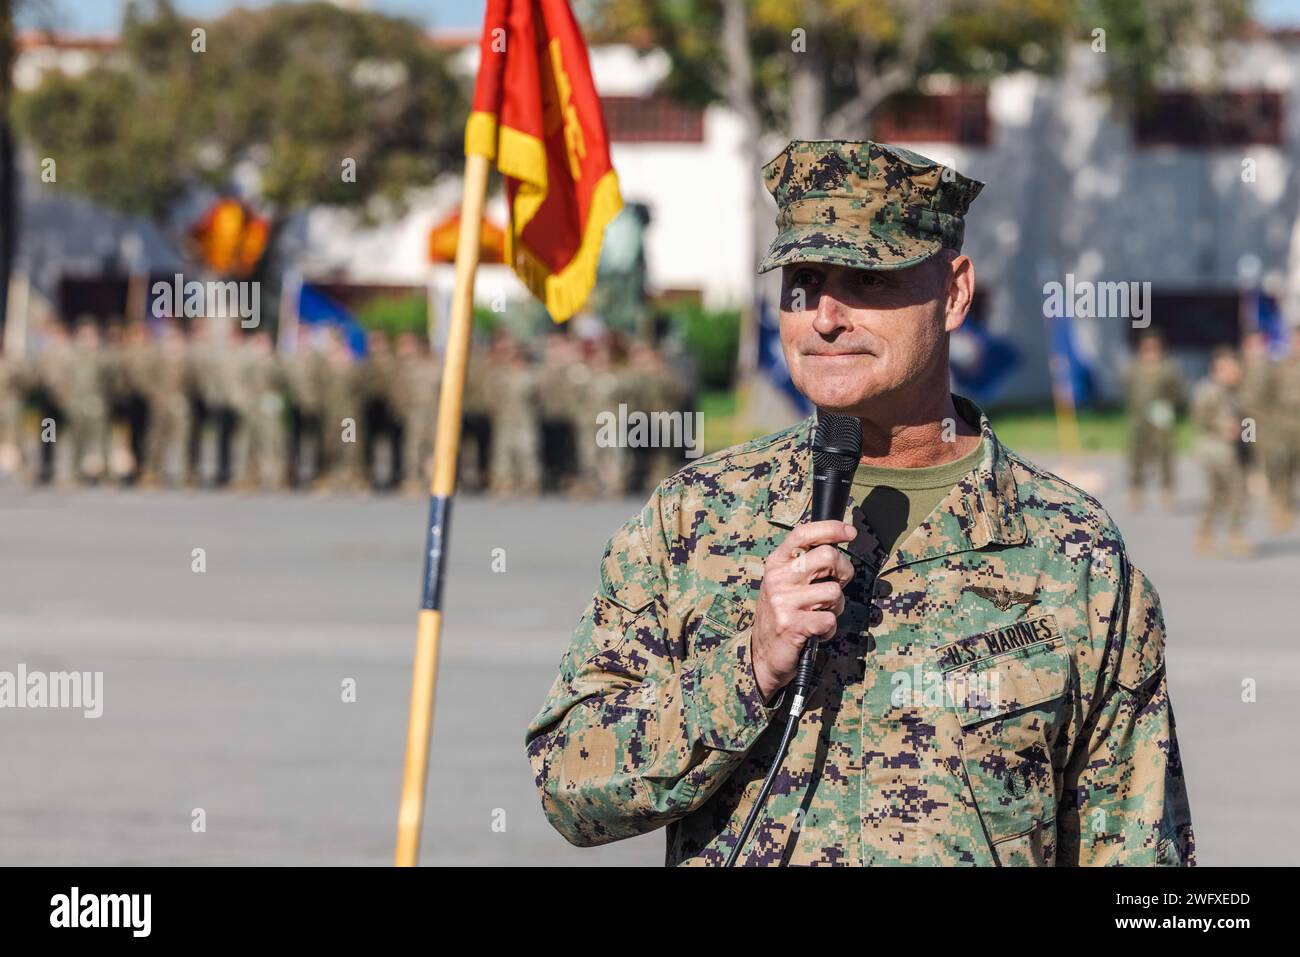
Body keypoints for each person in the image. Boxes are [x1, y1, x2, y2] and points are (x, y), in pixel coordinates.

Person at [526, 140, 1194, 866]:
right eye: (805, 281)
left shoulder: (1073, 553)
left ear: (956, 292)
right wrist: (745, 668)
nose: (825, 317)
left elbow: (1138, 854)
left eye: (870, 281)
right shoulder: (697, 518)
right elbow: (570, 787)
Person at [1192, 347, 1251, 557]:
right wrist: (1222, 427)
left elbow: (1248, 422)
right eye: (1231, 369)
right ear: (1218, 368)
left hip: (1234, 450)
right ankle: (1230, 535)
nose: (1237, 373)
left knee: (1226, 494)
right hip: (1215, 449)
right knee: (1233, 493)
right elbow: (1199, 419)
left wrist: (1248, 443)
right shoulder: (1207, 391)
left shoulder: (1237, 393)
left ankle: (1210, 534)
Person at [1124, 330, 1185, 510]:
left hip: (1161, 415)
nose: (1150, 350)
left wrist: (1170, 408)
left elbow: (1178, 392)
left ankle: (1167, 490)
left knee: (1165, 453)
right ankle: (1136, 490)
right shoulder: (1134, 368)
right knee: (1136, 455)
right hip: (1139, 417)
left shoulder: (1168, 368)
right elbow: (1129, 391)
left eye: (1154, 346)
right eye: (1147, 346)